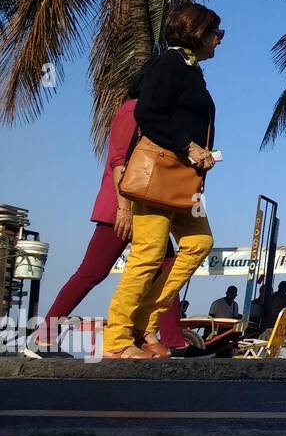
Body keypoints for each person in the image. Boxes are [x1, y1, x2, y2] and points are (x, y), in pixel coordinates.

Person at [26, 87, 184, 358]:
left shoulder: (156, 116)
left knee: (166, 267)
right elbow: (118, 159)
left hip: (145, 209)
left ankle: (170, 340)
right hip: (120, 208)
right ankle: (43, 336)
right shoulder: (133, 108)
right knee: (92, 272)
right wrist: (124, 206)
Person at [103, 4, 221, 359]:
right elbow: (147, 112)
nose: (219, 40)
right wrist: (189, 146)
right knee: (148, 253)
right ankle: (117, 340)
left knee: (199, 242)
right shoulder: (168, 63)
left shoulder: (191, 70)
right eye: (217, 33)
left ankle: (143, 323)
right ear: (198, 33)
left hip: (184, 182)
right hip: (159, 174)